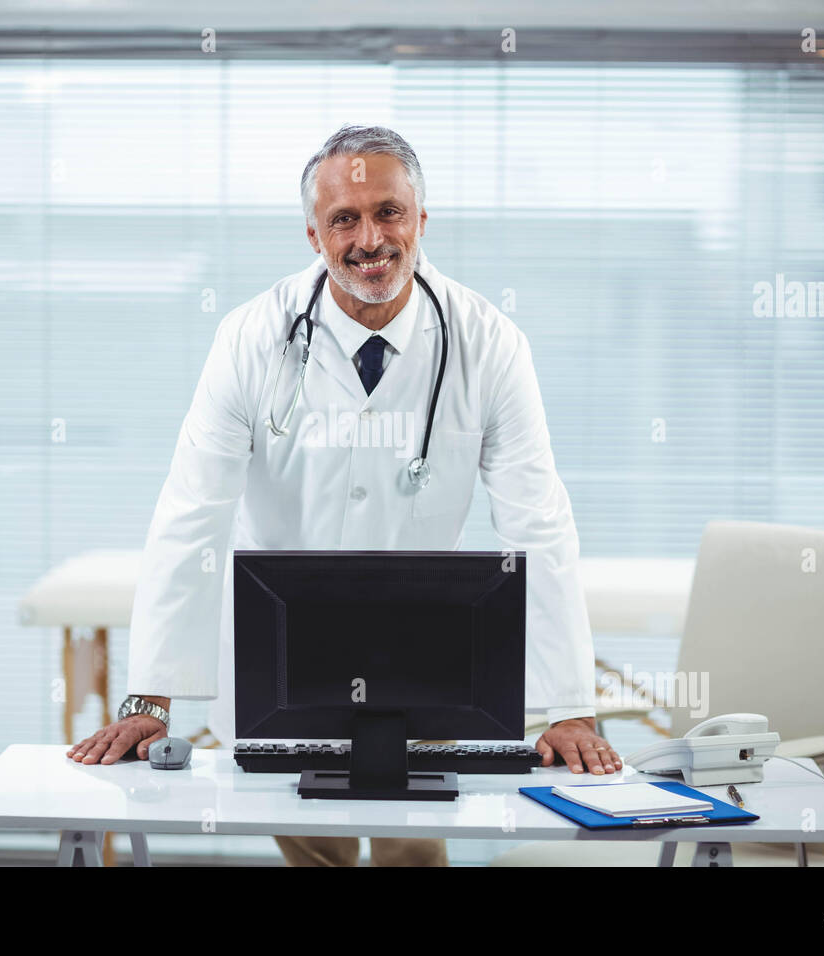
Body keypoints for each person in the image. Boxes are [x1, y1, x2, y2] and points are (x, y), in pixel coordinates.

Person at [68, 125, 622, 866]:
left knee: (414, 854)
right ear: (312, 233)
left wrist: (570, 708)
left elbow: (538, 524)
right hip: (284, 663)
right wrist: (150, 699)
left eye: (389, 212)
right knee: (315, 854)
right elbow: (192, 513)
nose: (370, 239)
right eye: (344, 219)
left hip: (430, 657)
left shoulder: (489, 344)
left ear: (422, 219)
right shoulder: (250, 339)